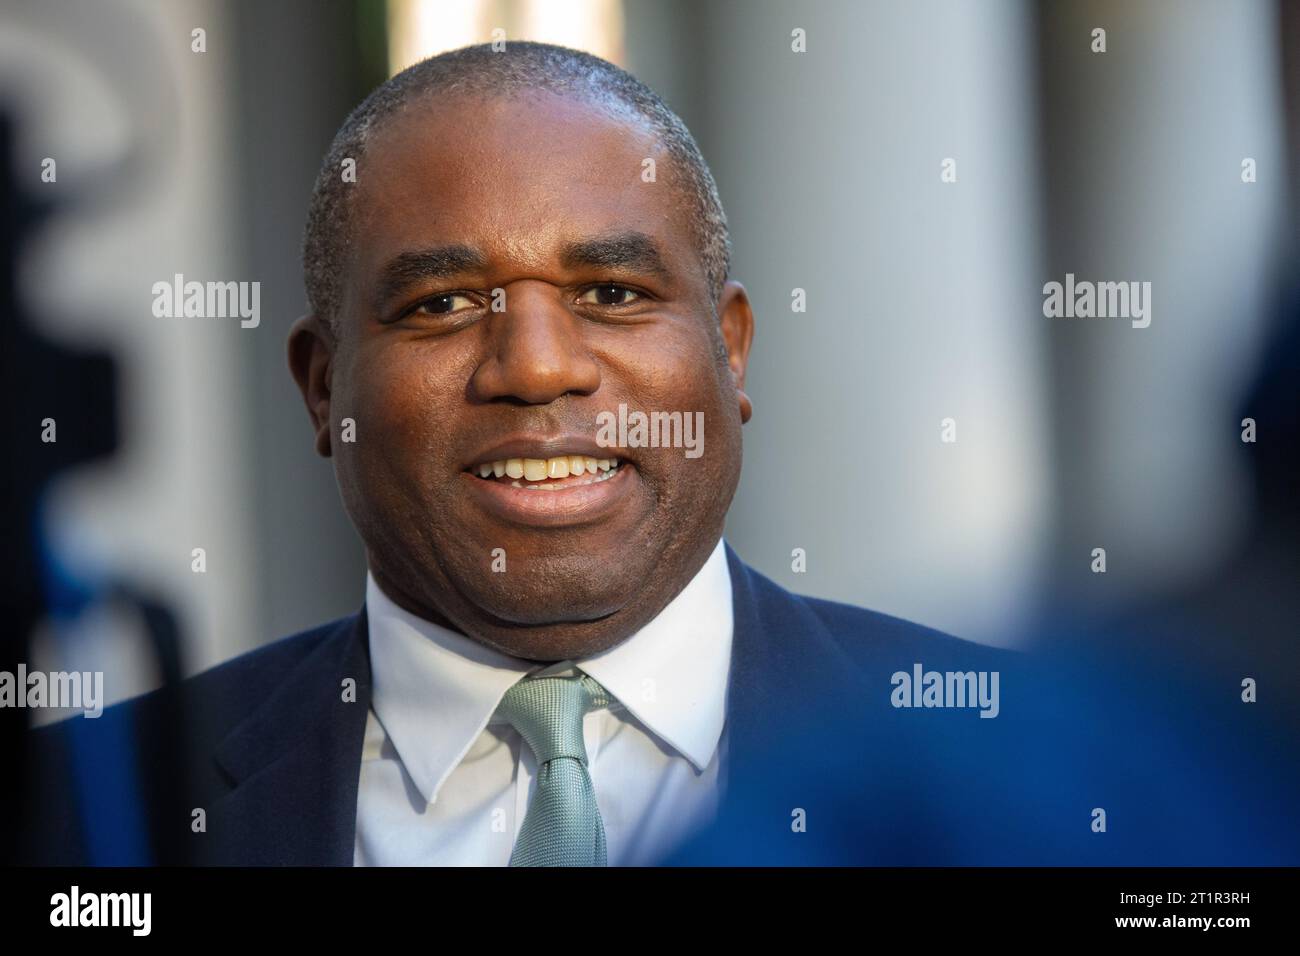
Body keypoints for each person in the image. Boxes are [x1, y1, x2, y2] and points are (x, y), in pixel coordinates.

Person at [21, 41, 1009, 867]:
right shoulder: (84, 811)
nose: (536, 368)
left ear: (731, 348)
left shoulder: (1013, 759)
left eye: (612, 291)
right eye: (441, 304)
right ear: (323, 386)